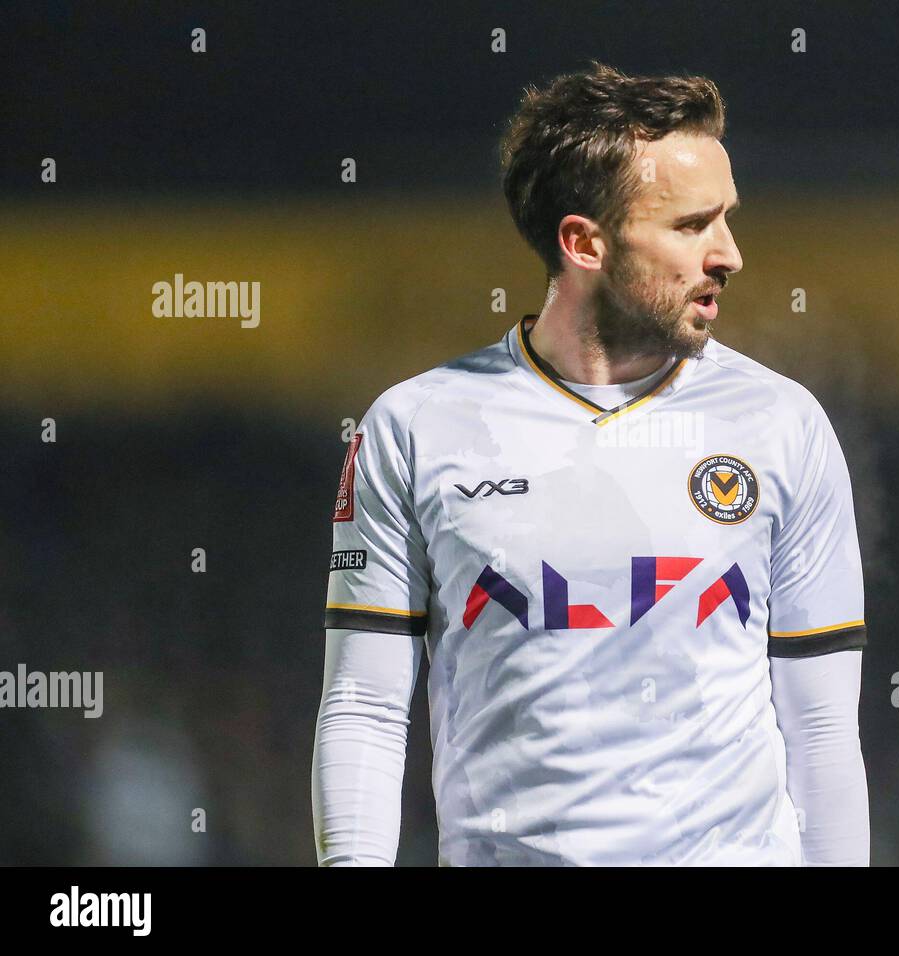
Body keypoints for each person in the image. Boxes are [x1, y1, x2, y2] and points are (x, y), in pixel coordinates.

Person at [312, 61, 870, 866]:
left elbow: (821, 730)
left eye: (728, 219)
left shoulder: (783, 427)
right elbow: (363, 708)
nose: (730, 255)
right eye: (691, 225)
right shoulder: (414, 429)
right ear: (584, 243)